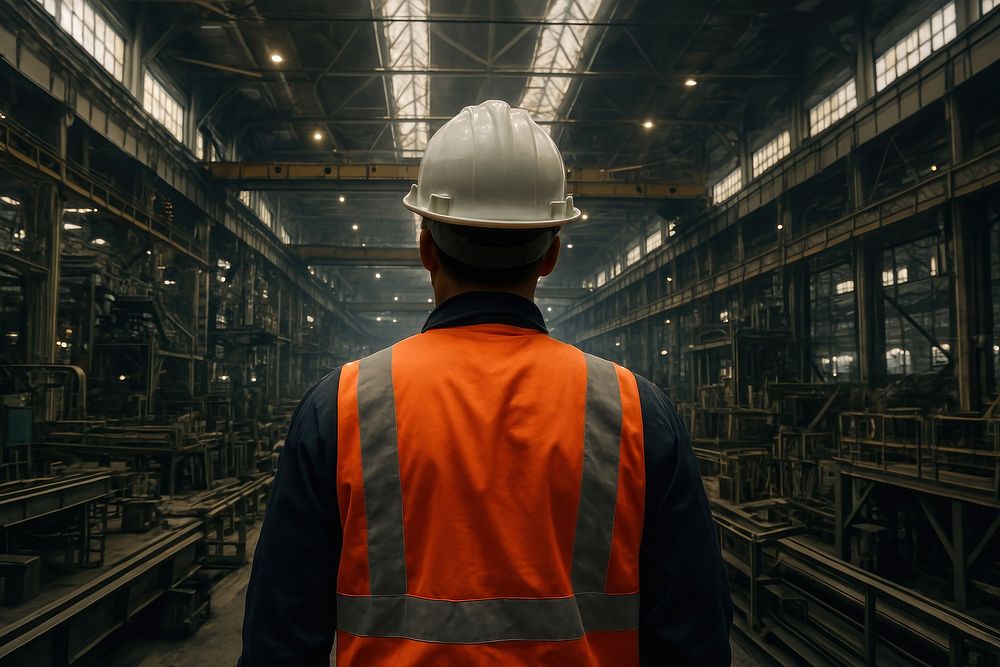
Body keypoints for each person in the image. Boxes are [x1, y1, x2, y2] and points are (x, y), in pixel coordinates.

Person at [239, 100, 732, 666]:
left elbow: (279, 637)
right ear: (551, 254)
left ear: (426, 248)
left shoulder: (342, 406)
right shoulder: (636, 412)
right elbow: (695, 634)